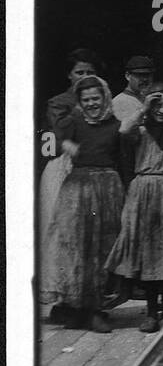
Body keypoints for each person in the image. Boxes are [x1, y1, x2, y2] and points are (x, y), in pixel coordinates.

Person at [106, 84, 163, 333]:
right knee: (148, 255)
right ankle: (150, 312)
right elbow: (123, 129)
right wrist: (143, 109)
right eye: (158, 105)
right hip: (143, 194)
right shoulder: (141, 132)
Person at [49, 76, 126, 332]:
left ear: (104, 97)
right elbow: (52, 138)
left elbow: (124, 159)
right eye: (86, 100)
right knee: (76, 248)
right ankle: (77, 308)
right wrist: (64, 143)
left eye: (96, 98)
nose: (92, 103)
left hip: (108, 187)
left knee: (103, 249)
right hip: (78, 189)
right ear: (79, 102)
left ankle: (96, 310)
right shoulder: (74, 121)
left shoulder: (116, 125)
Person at [41, 49, 107, 319]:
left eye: (90, 72)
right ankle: (65, 300)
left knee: (90, 238)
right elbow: (62, 134)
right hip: (66, 168)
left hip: (93, 168)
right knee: (65, 237)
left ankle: (85, 300)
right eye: (80, 72)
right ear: (70, 75)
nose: (85, 77)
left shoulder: (100, 98)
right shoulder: (60, 102)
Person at [112, 55, 156, 123]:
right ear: (128, 76)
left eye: (148, 75)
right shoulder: (119, 102)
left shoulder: (149, 99)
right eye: (139, 75)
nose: (144, 79)